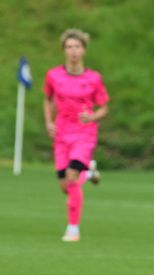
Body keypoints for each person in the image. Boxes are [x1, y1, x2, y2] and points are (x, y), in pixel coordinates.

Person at [43, 28, 109, 243]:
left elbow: (104, 108)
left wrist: (92, 117)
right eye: (69, 47)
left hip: (84, 133)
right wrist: (49, 122)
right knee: (65, 186)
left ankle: (73, 229)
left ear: (84, 50)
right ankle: (87, 174)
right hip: (62, 133)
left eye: (77, 47)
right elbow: (48, 99)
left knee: (71, 177)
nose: (73, 51)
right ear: (64, 50)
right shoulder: (53, 75)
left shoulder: (93, 78)